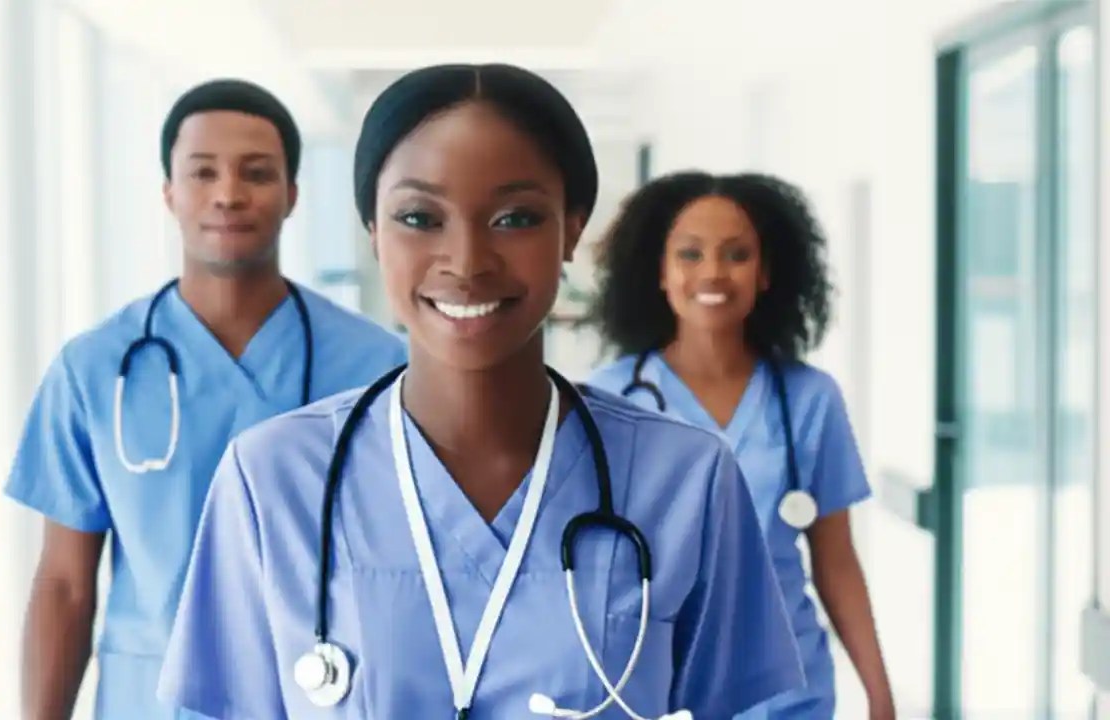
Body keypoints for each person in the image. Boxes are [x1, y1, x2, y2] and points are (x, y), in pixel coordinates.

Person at [157, 64, 804, 720]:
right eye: (418, 216)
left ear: (572, 228)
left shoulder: (687, 481)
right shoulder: (272, 479)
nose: (466, 261)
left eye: (515, 217)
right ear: (374, 232)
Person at [6, 78, 407, 720]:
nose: (227, 193)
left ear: (292, 194)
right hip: (150, 701)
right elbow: (65, 586)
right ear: (169, 192)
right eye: (202, 172)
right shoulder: (94, 369)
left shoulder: (379, 366)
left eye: (256, 172)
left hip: (323, 695)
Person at [585, 171, 895, 720]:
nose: (713, 273)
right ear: (659, 271)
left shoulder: (808, 398)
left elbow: (836, 559)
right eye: (689, 254)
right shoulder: (608, 399)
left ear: (766, 273)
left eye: (737, 254)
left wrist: (879, 694)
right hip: (655, 686)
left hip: (789, 689)